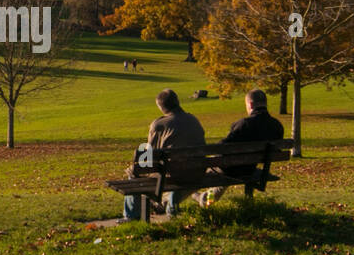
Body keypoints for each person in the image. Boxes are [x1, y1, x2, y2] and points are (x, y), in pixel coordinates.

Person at [122, 89, 206, 220]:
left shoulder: (159, 124)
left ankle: (131, 216)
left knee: (134, 174)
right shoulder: (193, 120)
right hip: (197, 172)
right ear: (177, 101)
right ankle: (170, 209)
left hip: (172, 175)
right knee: (176, 167)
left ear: (160, 107)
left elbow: (150, 156)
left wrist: (132, 170)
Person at [204, 88, 286, 201]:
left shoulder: (244, 124)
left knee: (208, 169)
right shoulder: (277, 125)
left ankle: (204, 199)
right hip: (250, 168)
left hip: (232, 170)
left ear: (251, 104)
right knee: (224, 168)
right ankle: (208, 200)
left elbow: (221, 148)